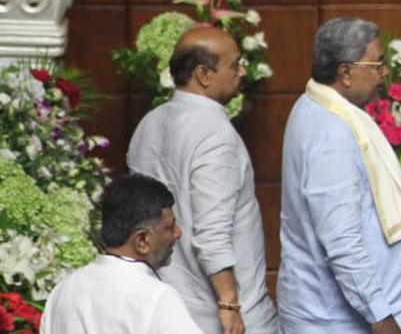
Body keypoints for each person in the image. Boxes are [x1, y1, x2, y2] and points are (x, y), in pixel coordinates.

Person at [277, 17, 401, 334]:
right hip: (346, 318)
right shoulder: (332, 134)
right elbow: (341, 240)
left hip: (360, 309)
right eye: (377, 64)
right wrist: (380, 316)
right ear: (345, 72)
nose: (384, 72)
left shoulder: (315, 105)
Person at [128, 26, 278, 334]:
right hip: (223, 318)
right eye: (234, 65)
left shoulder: (149, 124)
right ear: (203, 75)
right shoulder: (215, 134)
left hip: (167, 310)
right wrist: (230, 304)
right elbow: (212, 234)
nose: (242, 71)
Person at [41, 173, 205, 333]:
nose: (178, 233)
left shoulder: (64, 289)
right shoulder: (156, 298)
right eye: (169, 227)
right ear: (142, 241)